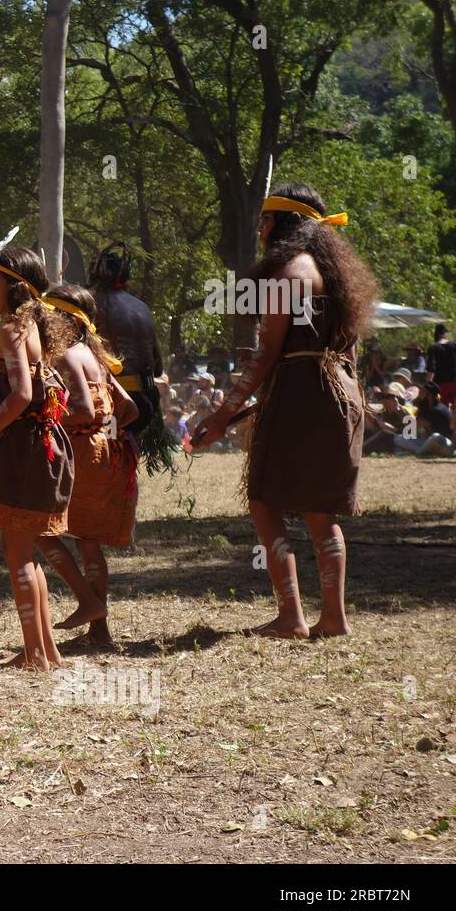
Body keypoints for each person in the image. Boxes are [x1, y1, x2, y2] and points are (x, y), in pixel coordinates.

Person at [191, 182, 375, 639]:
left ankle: (291, 616)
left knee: (265, 502)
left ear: (283, 224)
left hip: (302, 395)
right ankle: (333, 618)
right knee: (321, 513)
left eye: (265, 220)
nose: (260, 229)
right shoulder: (333, 275)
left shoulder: (287, 272)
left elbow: (264, 355)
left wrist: (220, 414)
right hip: (339, 393)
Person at [0, 245, 70, 670]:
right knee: (25, 552)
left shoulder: (13, 330)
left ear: (15, 288)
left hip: (23, 450)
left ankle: (36, 651)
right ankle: (43, 648)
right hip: (39, 447)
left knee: (17, 552)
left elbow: (21, 395)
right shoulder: (32, 326)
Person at [35, 284, 139, 649]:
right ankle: (100, 631)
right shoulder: (94, 356)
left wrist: (44, 424)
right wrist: (108, 433)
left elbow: (81, 409)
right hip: (107, 454)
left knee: (39, 531)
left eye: (47, 315)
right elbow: (129, 409)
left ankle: (88, 602)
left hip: (81, 456)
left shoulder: (67, 356)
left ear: (63, 320)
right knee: (89, 544)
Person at [89, 243, 162, 435]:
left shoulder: (93, 304)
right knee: (127, 455)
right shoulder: (142, 307)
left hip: (114, 402)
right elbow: (159, 367)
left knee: (109, 452)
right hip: (146, 402)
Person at [425, 322, 456, 409]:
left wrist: (427, 386)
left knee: (443, 409)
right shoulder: (455, 345)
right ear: (445, 334)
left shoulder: (433, 347)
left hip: (441, 384)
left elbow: (431, 368)